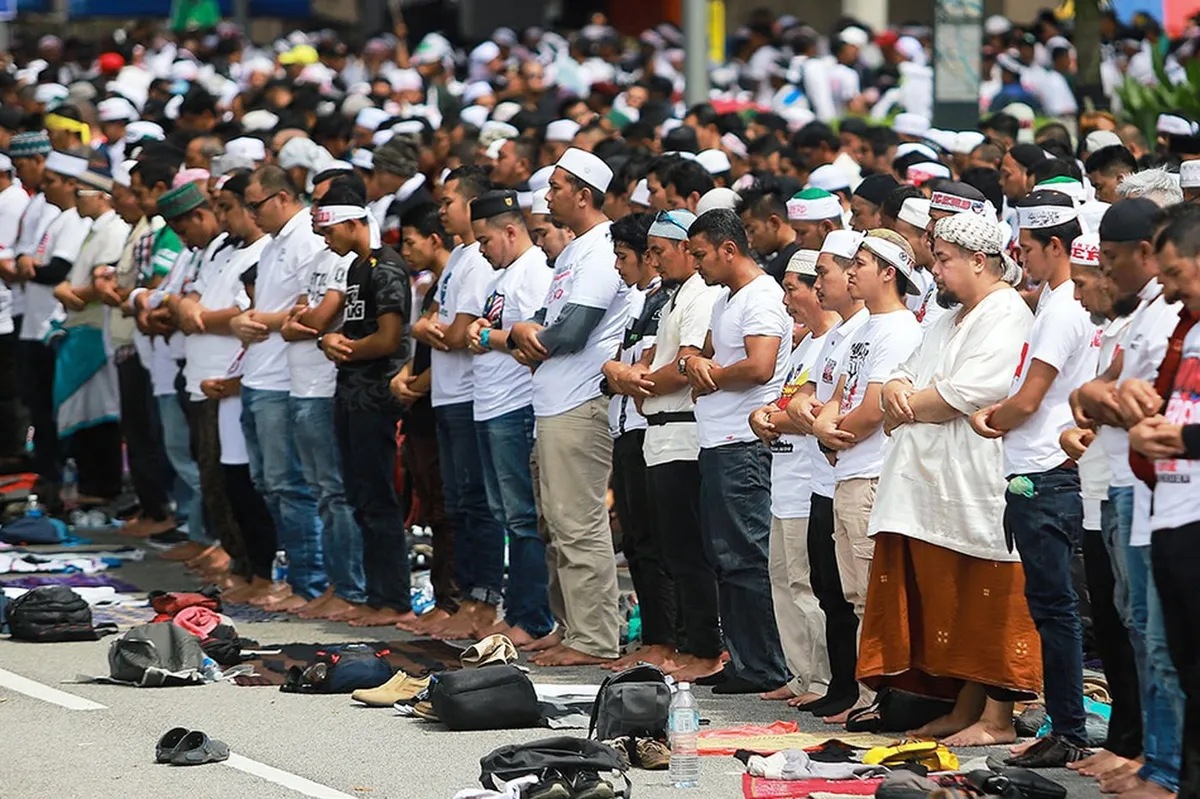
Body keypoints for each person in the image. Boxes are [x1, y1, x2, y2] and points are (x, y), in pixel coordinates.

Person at [861, 211, 1039, 746]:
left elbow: (964, 395)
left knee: (988, 594)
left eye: (943, 259)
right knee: (951, 603)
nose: (933, 270)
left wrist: (905, 403)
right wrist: (901, 391)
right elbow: (906, 373)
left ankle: (998, 719)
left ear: (979, 262)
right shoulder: (948, 318)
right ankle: (966, 707)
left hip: (976, 481)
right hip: (928, 484)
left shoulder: (1006, 313)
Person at [969, 190, 1097, 767]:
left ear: (1055, 246)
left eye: (1027, 248)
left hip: (1045, 474)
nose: (1021, 259)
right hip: (1036, 472)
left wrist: (987, 419)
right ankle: (1063, 724)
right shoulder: (1052, 301)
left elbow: (1029, 400)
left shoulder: (1065, 308)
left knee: (1054, 609)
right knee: (1050, 607)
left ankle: (1068, 729)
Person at [509, 148, 631, 666]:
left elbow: (572, 330)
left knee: (578, 523)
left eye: (556, 187)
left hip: (579, 401)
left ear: (583, 195)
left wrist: (532, 335)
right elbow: (540, 323)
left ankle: (595, 637)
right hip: (553, 399)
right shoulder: (572, 252)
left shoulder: (602, 250)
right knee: (554, 526)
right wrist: (527, 332)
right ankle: (570, 626)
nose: (547, 195)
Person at [812, 229, 924, 722]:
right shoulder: (859, 328)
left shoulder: (899, 328)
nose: (851, 270)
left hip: (872, 472)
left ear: (889, 273)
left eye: (860, 262)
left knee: (871, 594)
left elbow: (875, 405)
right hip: (847, 470)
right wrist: (824, 425)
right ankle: (865, 696)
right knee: (855, 593)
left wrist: (837, 433)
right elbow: (836, 392)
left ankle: (876, 698)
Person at [682, 207, 790, 694]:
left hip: (744, 444)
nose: (696, 263)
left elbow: (761, 366)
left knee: (745, 557)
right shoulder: (726, 298)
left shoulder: (761, 297)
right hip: (718, 439)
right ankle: (743, 657)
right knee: (723, 557)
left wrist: (710, 375)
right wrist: (695, 364)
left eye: (701, 254)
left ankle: (765, 664)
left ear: (730, 249)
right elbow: (701, 352)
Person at [166, 174, 278, 603]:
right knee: (214, 479)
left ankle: (256, 568)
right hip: (201, 378)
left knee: (237, 482)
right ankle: (240, 562)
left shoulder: (262, 250)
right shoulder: (217, 248)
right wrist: (187, 308)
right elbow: (185, 300)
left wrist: (200, 315)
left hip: (231, 381)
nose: (224, 216)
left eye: (228, 207)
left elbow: (244, 313)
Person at [628, 207, 725, 682]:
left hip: (683, 432)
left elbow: (684, 364)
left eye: (659, 251)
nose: (653, 260)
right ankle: (691, 643)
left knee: (688, 550)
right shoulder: (674, 295)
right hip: (659, 432)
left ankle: (705, 648)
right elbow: (653, 360)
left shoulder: (699, 294)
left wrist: (636, 378)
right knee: (670, 548)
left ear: (688, 249)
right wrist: (637, 375)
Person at [314, 185, 416, 629]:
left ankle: (392, 597)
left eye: (329, 229)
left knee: (378, 499)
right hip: (350, 391)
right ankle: (375, 594)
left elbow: (391, 338)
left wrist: (345, 347)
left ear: (354, 222)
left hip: (376, 393)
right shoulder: (355, 267)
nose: (325, 240)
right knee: (359, 497)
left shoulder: (386, 267)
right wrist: (331, 340)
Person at [410, 165, 503, 640]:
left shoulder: (479, 260)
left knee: (474, 503)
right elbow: (431, 319)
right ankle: (466, 595)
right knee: (455, 501)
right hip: (447, 394)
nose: (441, 209)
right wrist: (433, 330)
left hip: (471, 394)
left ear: (471, 204)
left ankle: (483, 598)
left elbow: (453, 332)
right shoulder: (460, 258)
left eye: (448, 202)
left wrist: (433, 331)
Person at [462, 189, 555, 646]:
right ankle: (518, 609)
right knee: (506, 515)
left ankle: (532, 616)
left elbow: (535, 341)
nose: (481, 249)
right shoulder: (504, 275)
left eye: (485, 240)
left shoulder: (533, 273)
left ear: (511, 231)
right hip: (491, 402)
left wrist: (487, 336)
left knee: (523, 518)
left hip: (516, 405)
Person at [231, 165, 327, 607]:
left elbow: (308, 309)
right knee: (268, 483)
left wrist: (257, 321)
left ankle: (310, 582)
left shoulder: (305, 240)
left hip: (285, 377)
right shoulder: (272, 245)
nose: (251, 215)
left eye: (256, 205)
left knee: (291, 485)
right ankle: (294, 576)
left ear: (283, 197)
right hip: (260, 372)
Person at [1129, 208, 1200, 799]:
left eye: (1175, 272)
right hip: (1170, 506)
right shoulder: (1190, 328)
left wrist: (1182, 439)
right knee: (1178, 656)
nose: (1168, 287)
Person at [278, 168, 371, 620]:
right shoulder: (319, 261)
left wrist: (306, 322)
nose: (320, 232)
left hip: (323, 388)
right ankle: (337, 583)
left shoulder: (344, 263)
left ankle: (350, 586)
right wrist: (305, 321)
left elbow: (316, 321)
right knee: (321, 492)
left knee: (335, 493)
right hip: (301, 386)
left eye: (325, 223)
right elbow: (294, 318)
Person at [748, 248, 838, 706]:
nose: (787, 301)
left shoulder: (834, 341)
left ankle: (824, 678)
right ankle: (800, 673)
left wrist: (772, 418)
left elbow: (810, 414)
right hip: (784, 480)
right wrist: (765, 417)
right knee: (782, 579)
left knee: (808, 585)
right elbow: (785, 406)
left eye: (792, 288)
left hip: (811, 483)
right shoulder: (804, 345)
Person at [600, 211, 673, 670]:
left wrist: (618, 373)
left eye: (623, 256)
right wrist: (615, 373)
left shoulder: (666, 302)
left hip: (651, 429)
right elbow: (611, 371)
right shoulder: (632, 301)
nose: (617, 266)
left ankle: (667, 639)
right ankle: (653, 637)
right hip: (623, 426)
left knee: (657, 542)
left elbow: (643, 375)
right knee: (636, 541)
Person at [391, 203, 459, 634]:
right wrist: (405, 378)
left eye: (411, 242)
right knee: (433, 505)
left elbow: (450, 343)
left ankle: (452, 599)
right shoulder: (434, 283)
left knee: (448, 505)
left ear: (435, 239)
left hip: (443, 401)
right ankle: (443, 597)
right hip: (424, 400)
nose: (407, 252)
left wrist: (417, 384)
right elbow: (424, 345)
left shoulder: (457, 273)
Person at [52, 159, 130, 502]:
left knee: (98, 414)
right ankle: (89, 483)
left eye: (80, 192)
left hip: (96, 331)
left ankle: (102, 486)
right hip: (80, 328)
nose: (76, 198)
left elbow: (103, 284)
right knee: (82, 411)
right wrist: (66, 289)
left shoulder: (113, 230)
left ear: (101, 197)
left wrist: (68, 292)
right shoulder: (93, 228)